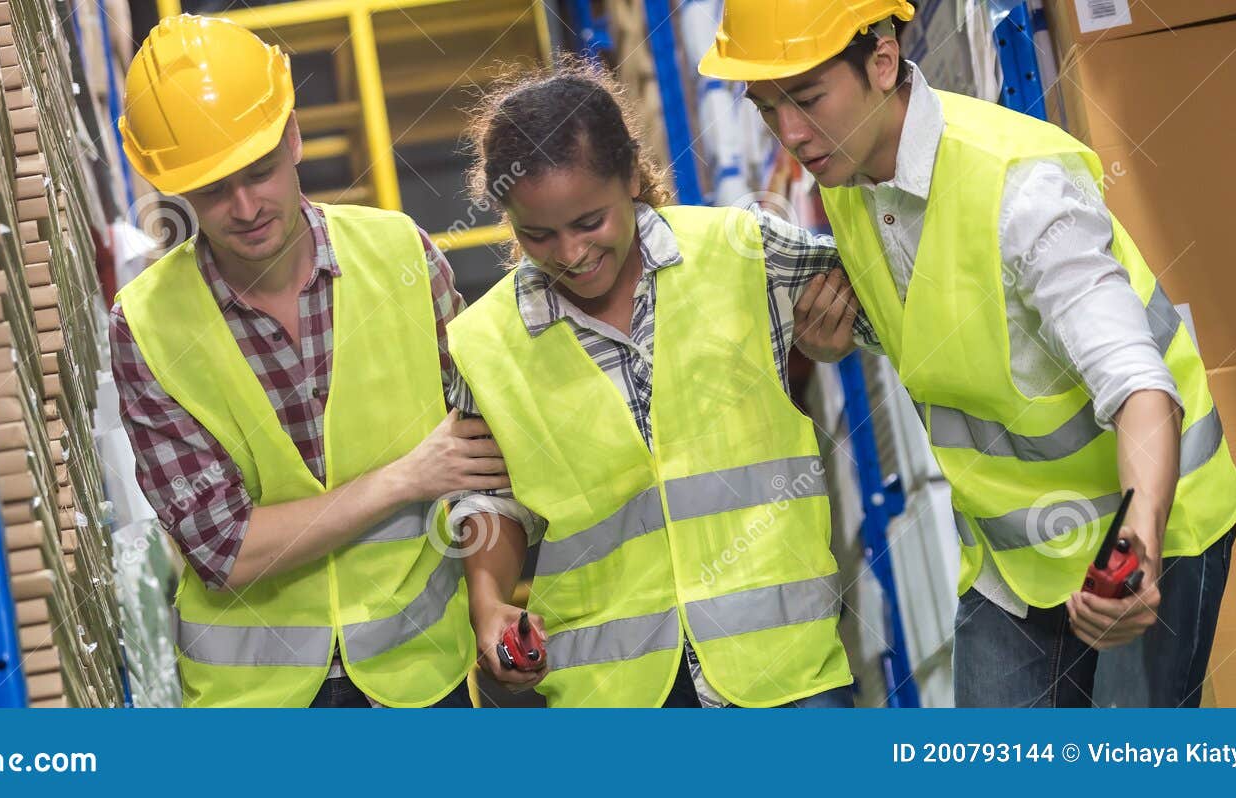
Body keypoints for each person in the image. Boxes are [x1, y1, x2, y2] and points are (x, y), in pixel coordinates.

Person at [698, 0, 1236, 707]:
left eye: (806, 99)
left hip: (1148, 528)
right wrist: (847, 333)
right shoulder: (850, 181)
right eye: (768, 110)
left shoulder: (1020, 186)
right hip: (1013, 563)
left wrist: (1137, 547)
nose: (792, 134)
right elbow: (956, 326)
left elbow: (1141, 387)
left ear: (884, 61)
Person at [111, 14, 508, 708]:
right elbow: (225, 550)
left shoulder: (401, 258)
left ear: (292, 134)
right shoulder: (145, 325)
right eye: (211, 190)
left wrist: (489, 604)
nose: (244, 206)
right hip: (256, 706)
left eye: (259, 171)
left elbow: (481, 465)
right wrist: (404, 478)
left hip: (420, 680)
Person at [445, 62, 861, 708]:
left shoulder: (740, 250)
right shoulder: (482, 343)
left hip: (783, 671)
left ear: (633, 176)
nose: (571, 253)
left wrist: (833, 329)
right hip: (616, 694)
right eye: (538, 235)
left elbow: (880, 292)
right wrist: (489, 604)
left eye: (590, 222)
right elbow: (491, 503)